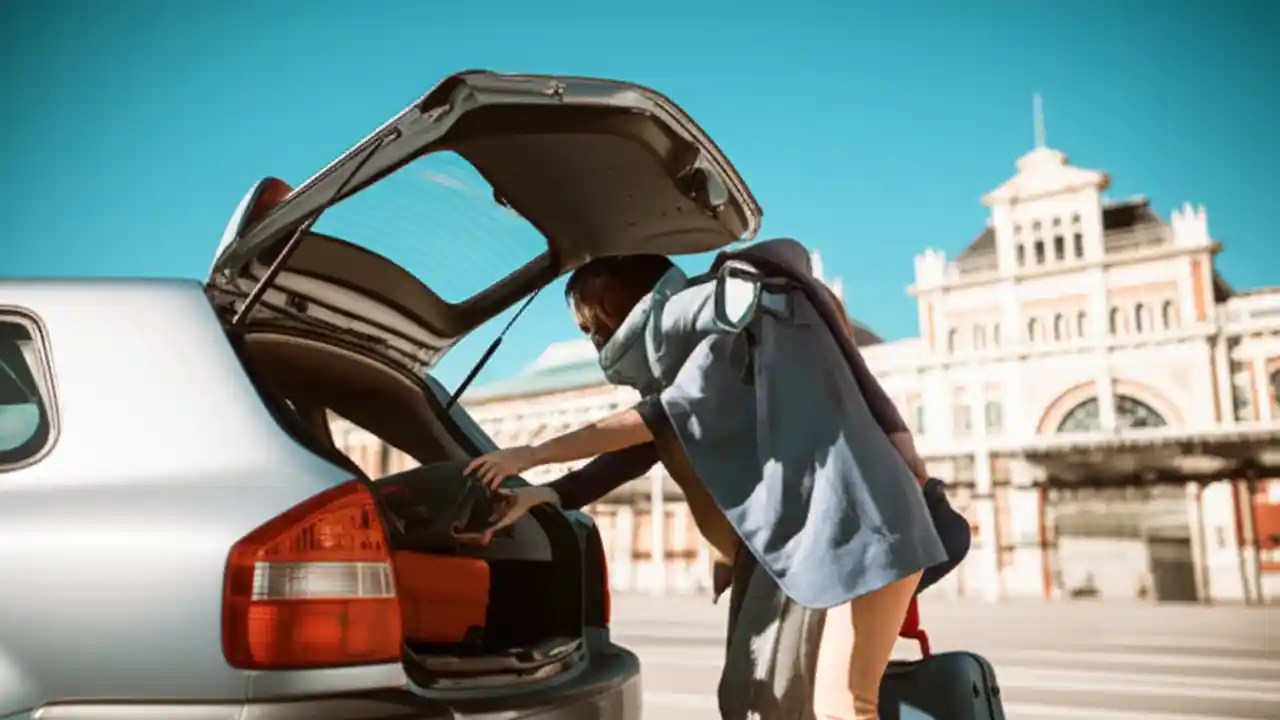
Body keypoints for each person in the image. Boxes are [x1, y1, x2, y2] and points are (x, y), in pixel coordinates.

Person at [466, 239, 949, 720]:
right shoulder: (717, 355)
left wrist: (531, 454)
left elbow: (652, 419)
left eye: (597, 327)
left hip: (863, 530)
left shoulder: (724, 343)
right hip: (852, 533)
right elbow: (638, 448)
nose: (598, 345)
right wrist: (549, 492)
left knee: (841, 703)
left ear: (631, 311)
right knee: (807, 702)